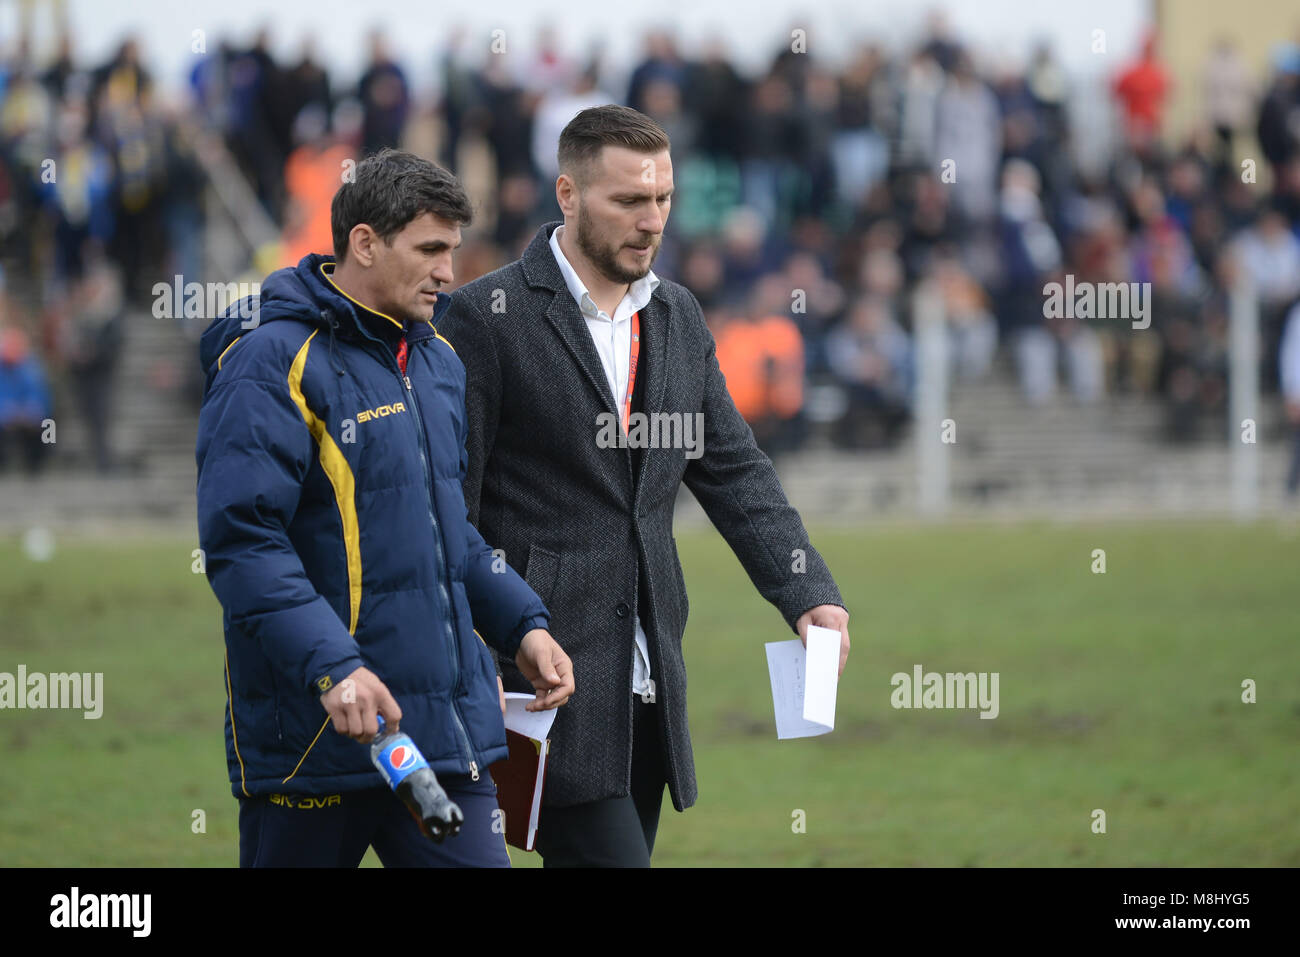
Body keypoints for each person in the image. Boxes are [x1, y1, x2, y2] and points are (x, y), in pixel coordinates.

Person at [440, 105, 850, 867]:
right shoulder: (485, 317)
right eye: (628, 199)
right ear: (567, 194)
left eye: (662, 198)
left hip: (651, 680)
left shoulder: (678, 316)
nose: (651, 219)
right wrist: (483, 642)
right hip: (540, 680)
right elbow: (450, 511)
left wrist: (809, 591)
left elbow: (733, 470)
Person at [195, 149, 574, 867]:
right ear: (364, 242)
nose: (447, 271)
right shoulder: (269, 362)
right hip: (313, 739)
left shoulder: (438, 361)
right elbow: (244, 542)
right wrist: (336, 668)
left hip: (440, 735)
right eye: (430, 250)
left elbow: (445, 527)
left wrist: (520, 622)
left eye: (453, 251)